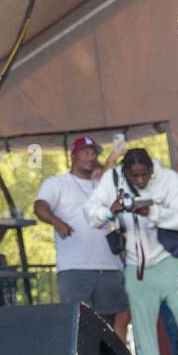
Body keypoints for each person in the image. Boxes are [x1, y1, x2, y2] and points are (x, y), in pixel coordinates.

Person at [83, 148, 178, 355]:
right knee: (142, 326)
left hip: (170, 259)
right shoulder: (113, 179)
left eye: (144, 175)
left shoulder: (169, 179)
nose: (139, 180)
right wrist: (110, 211)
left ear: (151, 170)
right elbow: (90, 214)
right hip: (135, 264)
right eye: (134, 176)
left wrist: (153, 212)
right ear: (125, 172)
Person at [33, 136, 129, 340]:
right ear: (73, 155)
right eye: (85, 152)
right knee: (79, 322)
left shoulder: (102, 184)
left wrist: (109, 159)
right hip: (75, 267)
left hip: (110, 266)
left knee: (118, 317)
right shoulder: (58, 183)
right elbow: (39, 207)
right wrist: (57, 222)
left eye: (93, 153)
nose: (90, 157)